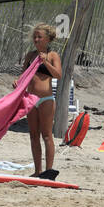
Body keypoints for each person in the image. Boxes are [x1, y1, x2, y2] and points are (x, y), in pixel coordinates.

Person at [21, 23, 61, 179]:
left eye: (39, 37)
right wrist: (18, 82)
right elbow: (24, 75)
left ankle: (48, 170)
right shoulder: (30, 56)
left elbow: (58, 75)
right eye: (35, 37)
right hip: (31, 99)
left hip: (46, 99)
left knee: (47, 135)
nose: (36, 40)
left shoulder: (53, 56)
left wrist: (45, 62)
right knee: (33, 135)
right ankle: (37, 170)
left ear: (47, 39)